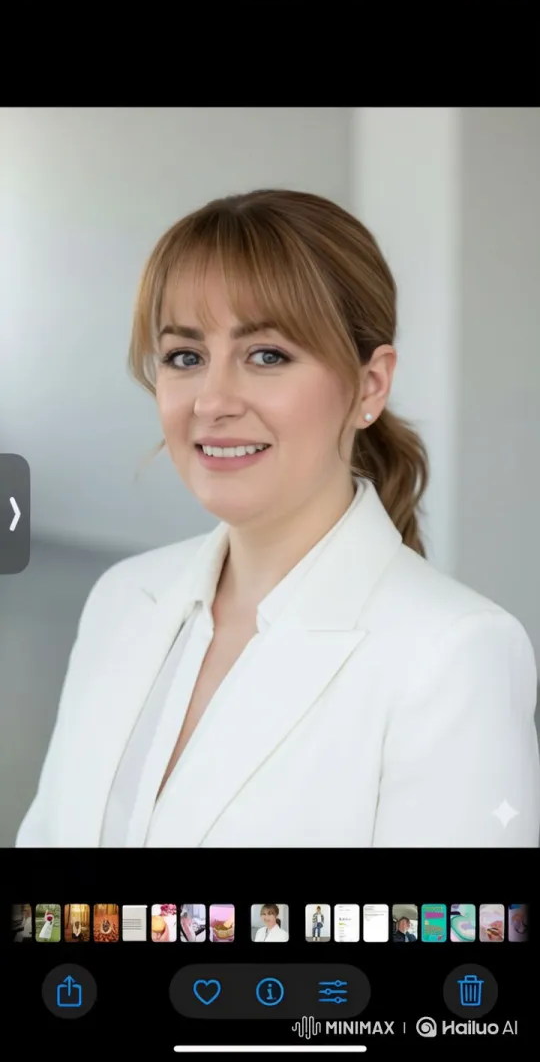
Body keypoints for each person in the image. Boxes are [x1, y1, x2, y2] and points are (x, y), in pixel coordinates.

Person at [15, 188, 540, 849]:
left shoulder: (456, 654)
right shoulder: (122, 598)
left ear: (371, 384)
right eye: (185, 357)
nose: (212, 401)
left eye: (267, 355)